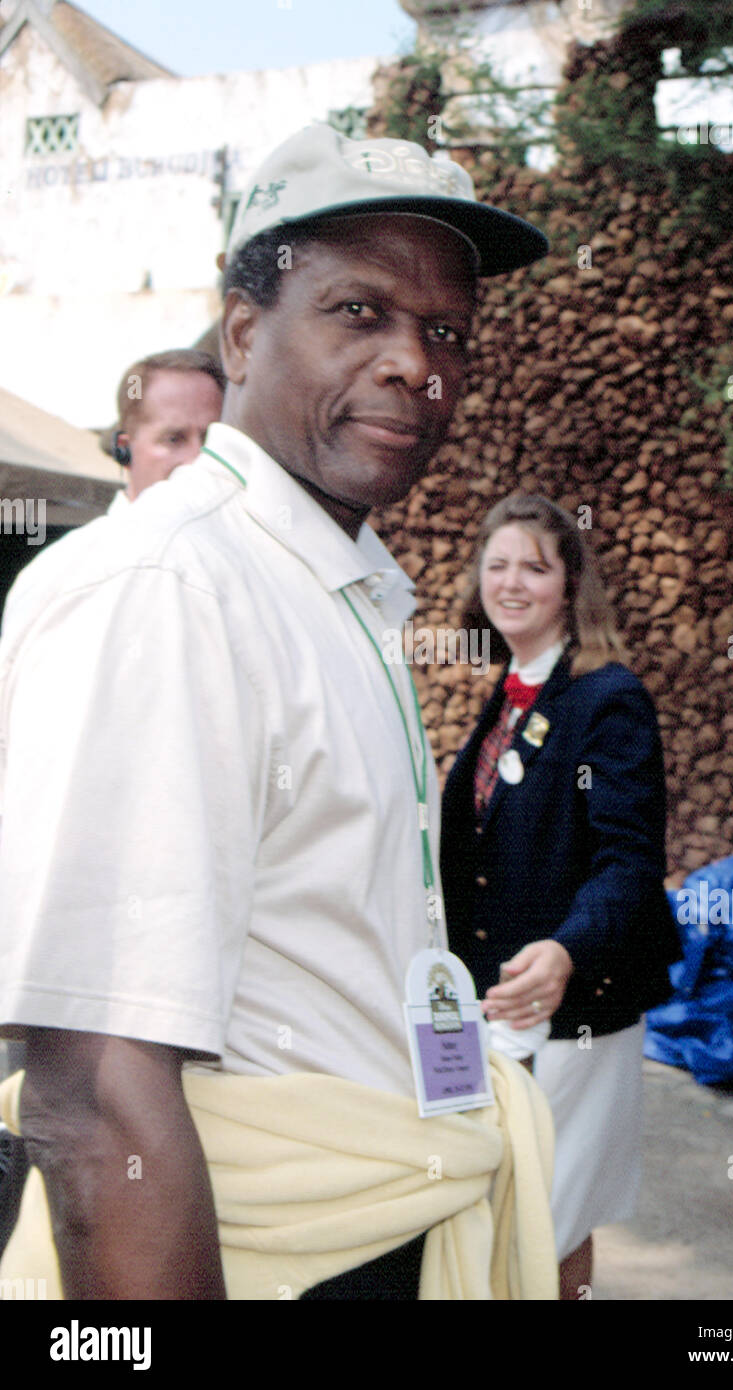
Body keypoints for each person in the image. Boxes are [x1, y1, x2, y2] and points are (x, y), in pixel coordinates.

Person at [0, 125, 557, 1301]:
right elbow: (97, 1083)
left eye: (445, 329)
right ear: (245, 334)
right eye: (361, 312)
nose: (417, 362)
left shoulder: (336, 585)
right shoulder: (164, 587)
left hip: (383, 1217)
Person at [440, 493, 682, 1301]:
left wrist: (568, 949)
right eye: (497, 564)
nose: (510, 583)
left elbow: (628, 862)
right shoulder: (506, 695)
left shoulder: (605, 695)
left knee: (550, 1218)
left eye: (533, 568)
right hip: (495, 1006)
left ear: (569, 586)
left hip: (575, 1010)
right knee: (500, 1212)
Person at [107, 347, 225, 507]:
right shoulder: (99, 533)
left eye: (209, 439)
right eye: (174, 439)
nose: (198, 459)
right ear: (124, 450)